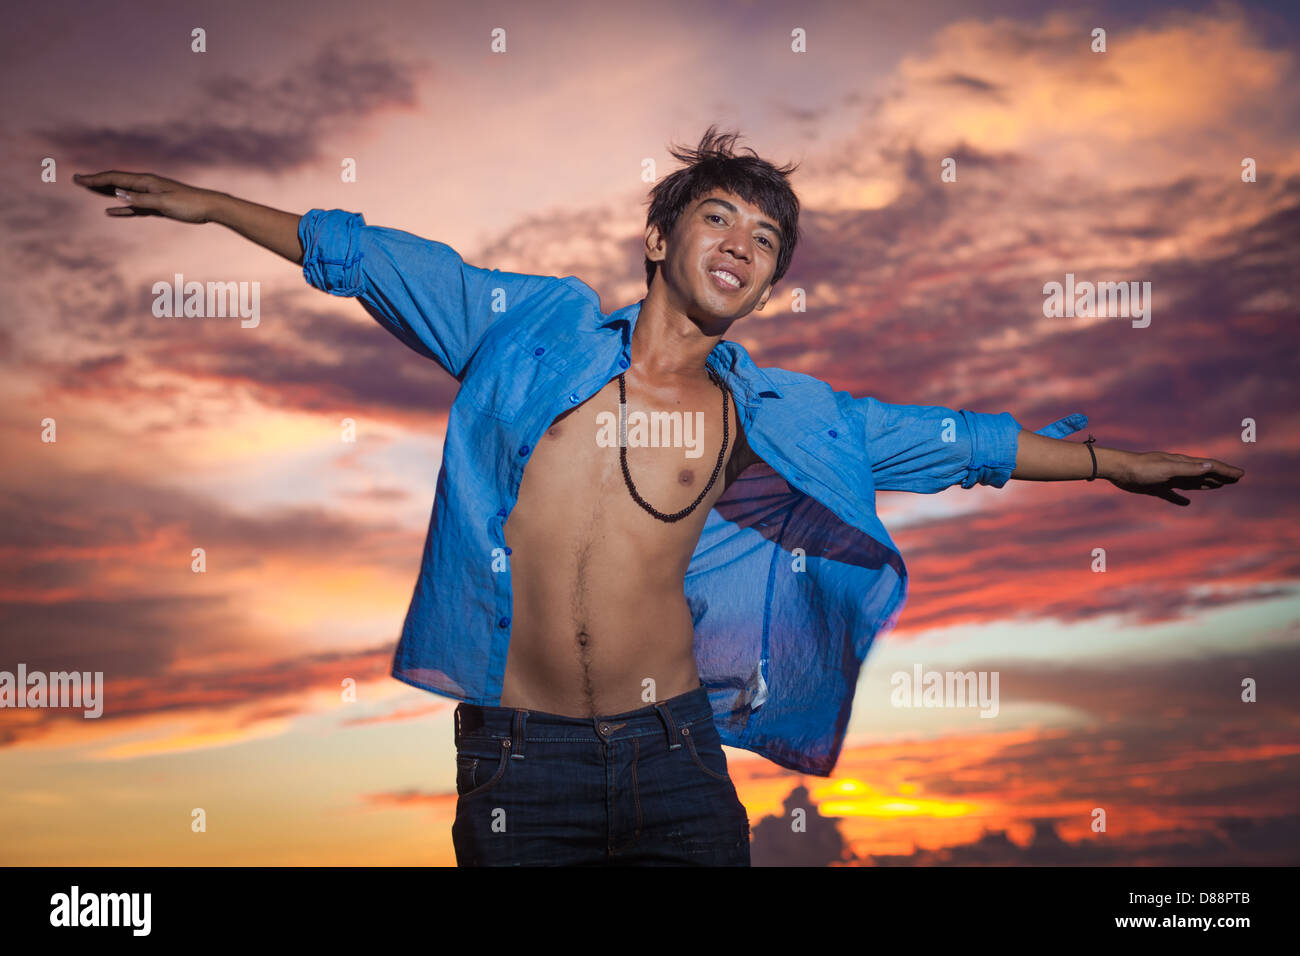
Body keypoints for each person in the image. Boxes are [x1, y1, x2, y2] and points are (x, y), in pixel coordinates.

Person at [74, 126, 1244, 867]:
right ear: (658, 237)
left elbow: (950, 440)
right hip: (518, 763)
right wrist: (214, 204)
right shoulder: (530, 331)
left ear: (773, 283)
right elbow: (376, 257)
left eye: (767, 238)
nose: (744, 242)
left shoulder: (773, 413)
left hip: (676, 758)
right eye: (720, 215)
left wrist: (1105, 462)